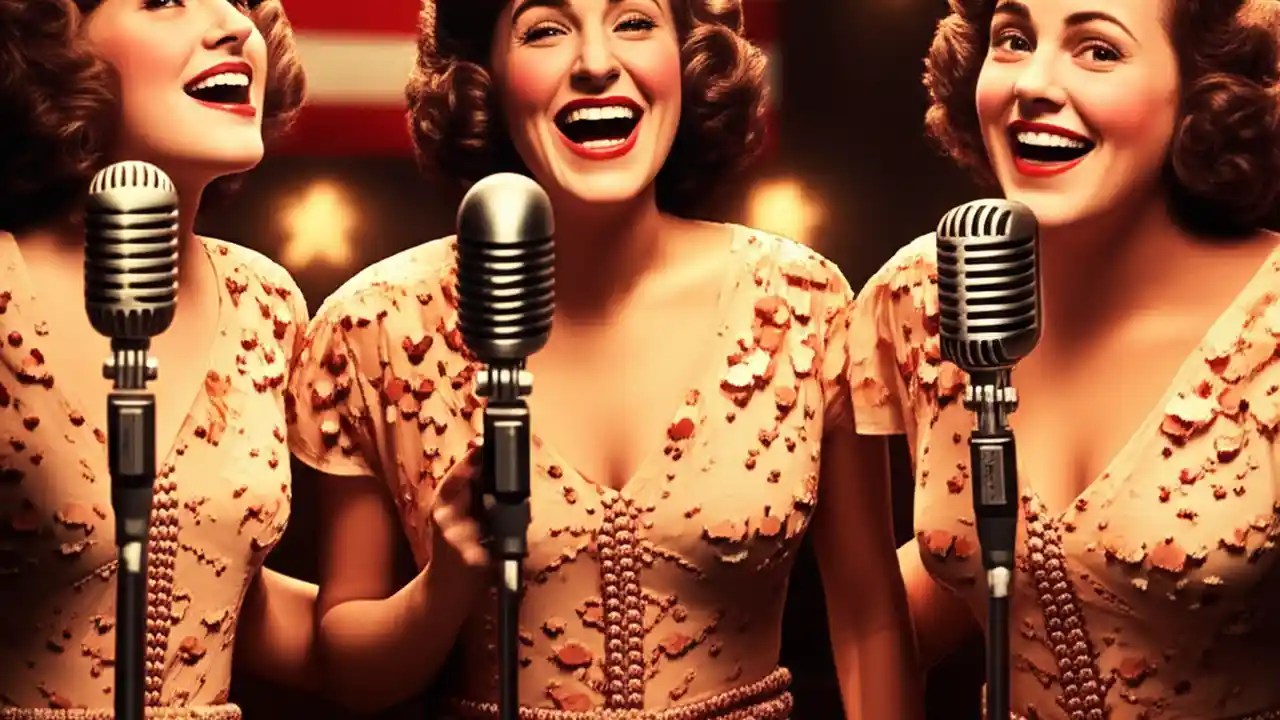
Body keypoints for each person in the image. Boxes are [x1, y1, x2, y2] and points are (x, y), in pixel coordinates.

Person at [286, 0, 922, 717]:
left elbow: (870, 622)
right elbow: (349, 672)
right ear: (485, 74)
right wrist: (444, 583)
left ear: (686, 58)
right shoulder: (376, 327)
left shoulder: (803, 302)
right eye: (546, 29)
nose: (595, 63)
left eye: (634, 21)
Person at [849, 0, 1280, 717]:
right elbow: (1018, 575)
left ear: (1202, 87)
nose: (1033, 83)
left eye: (1098, 50)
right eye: (1014, 40)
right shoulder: (921, 297)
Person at [0, 0, 317, 716]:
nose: (234, 25)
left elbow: (219, 600)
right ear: (51, 38)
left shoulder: (265, 303)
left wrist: (458, 578)